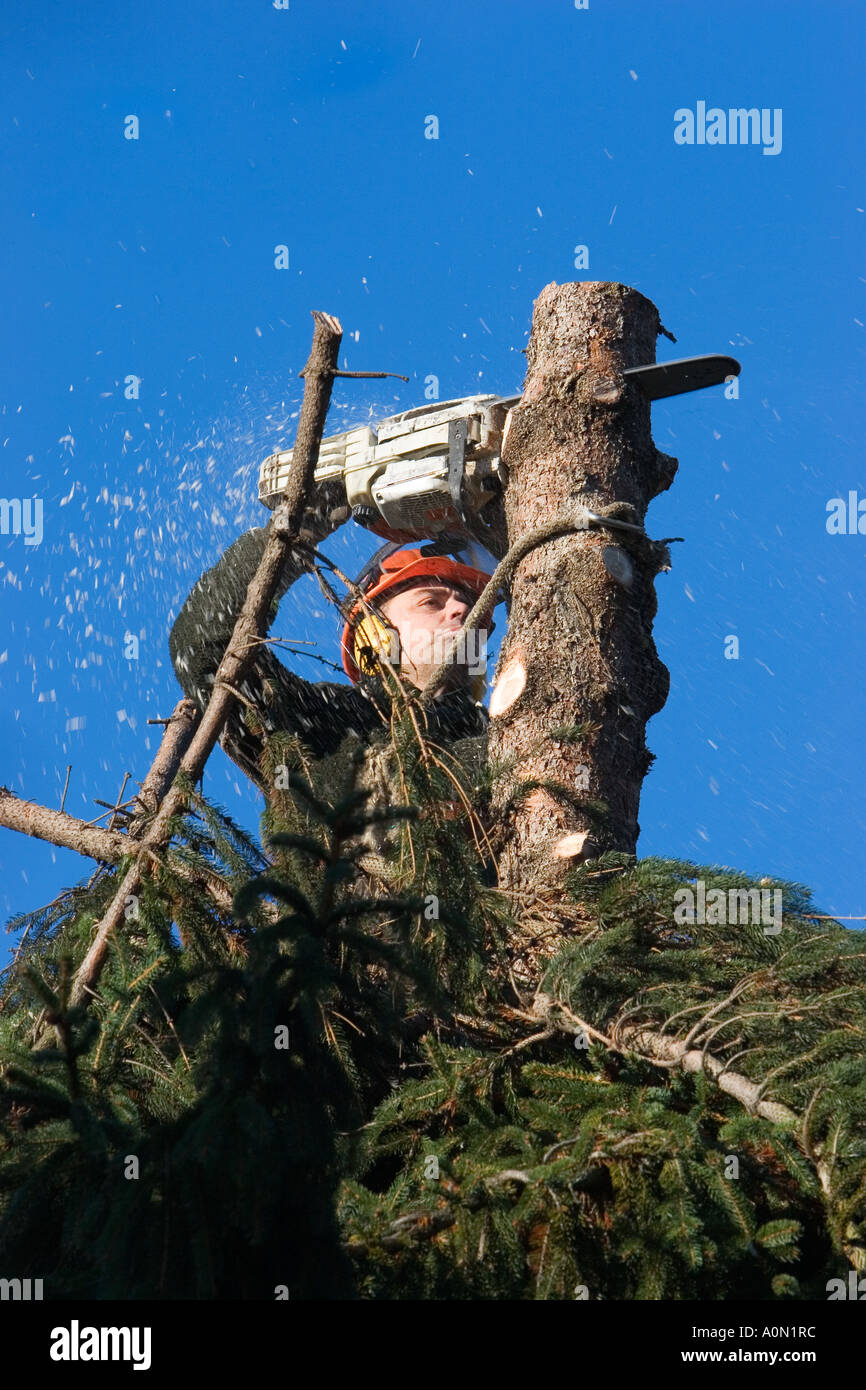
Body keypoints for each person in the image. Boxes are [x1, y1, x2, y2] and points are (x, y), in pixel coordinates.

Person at [168, 518, 496, 798]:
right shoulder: (329, 724)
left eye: (471, 607)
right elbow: (203, 645)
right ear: (374, 636)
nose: (463, 610)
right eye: (431, 602)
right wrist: (296, 531)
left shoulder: (505, 727)